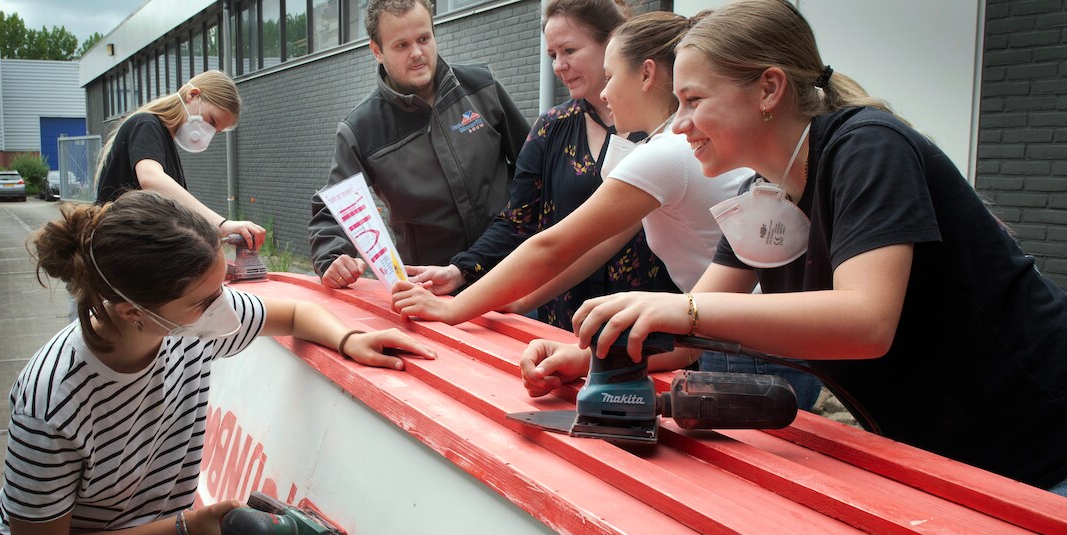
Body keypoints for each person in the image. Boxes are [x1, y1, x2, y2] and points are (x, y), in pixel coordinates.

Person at [546, 0, 1067, 492]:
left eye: (694, 101)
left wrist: (680, 307)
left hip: (1044, 444)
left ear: (769, 89)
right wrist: (586, 357)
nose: (679, 125)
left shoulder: (868, 147)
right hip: (957, 455)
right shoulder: (763, 194)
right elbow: (690, 336)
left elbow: (866, 321)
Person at [0, 190, 435, 535]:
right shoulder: (54, 399)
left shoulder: (183, 327)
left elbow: (293, 314)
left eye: (221, 288)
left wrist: (350, 339)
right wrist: (186, 526)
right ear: (133, 312)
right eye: (205, 301)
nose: (226, 312)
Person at [392, 11, 822, 408]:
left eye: (611, 75)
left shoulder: (665, 154)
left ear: (646, 74)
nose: (603, 91)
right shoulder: (659, 148)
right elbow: (597, 246)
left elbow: (554, 245)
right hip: (727, 337)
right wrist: (518, 300)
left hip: (746, 349)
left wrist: (456, 308)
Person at [393, 0, 679, 331]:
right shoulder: (554, 127)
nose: (559, 65)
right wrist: (480, 280)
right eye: (553, 55)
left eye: (570, 50)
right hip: (588, 326)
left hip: (652, 326)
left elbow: (554, 248)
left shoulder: (665, 144)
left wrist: (458, 307)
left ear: (615, 45)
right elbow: (573, 239)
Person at [307, 0, 529, 289]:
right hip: (431, 291)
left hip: (514, 272)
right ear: (377, 51)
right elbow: (334, 207)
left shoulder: (481, 87)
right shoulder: (361, 129)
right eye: (401, 45)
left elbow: (533, 167)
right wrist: (332, 255)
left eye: (423, 39)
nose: (417, 53)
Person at [95, 69, 265, 250]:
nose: (209, 132)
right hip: (114, 252)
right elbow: (150, 178)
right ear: (193, 95)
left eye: (216, 131)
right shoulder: (146, 124)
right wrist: (221, 224)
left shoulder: (165, 142)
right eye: (212, 121)